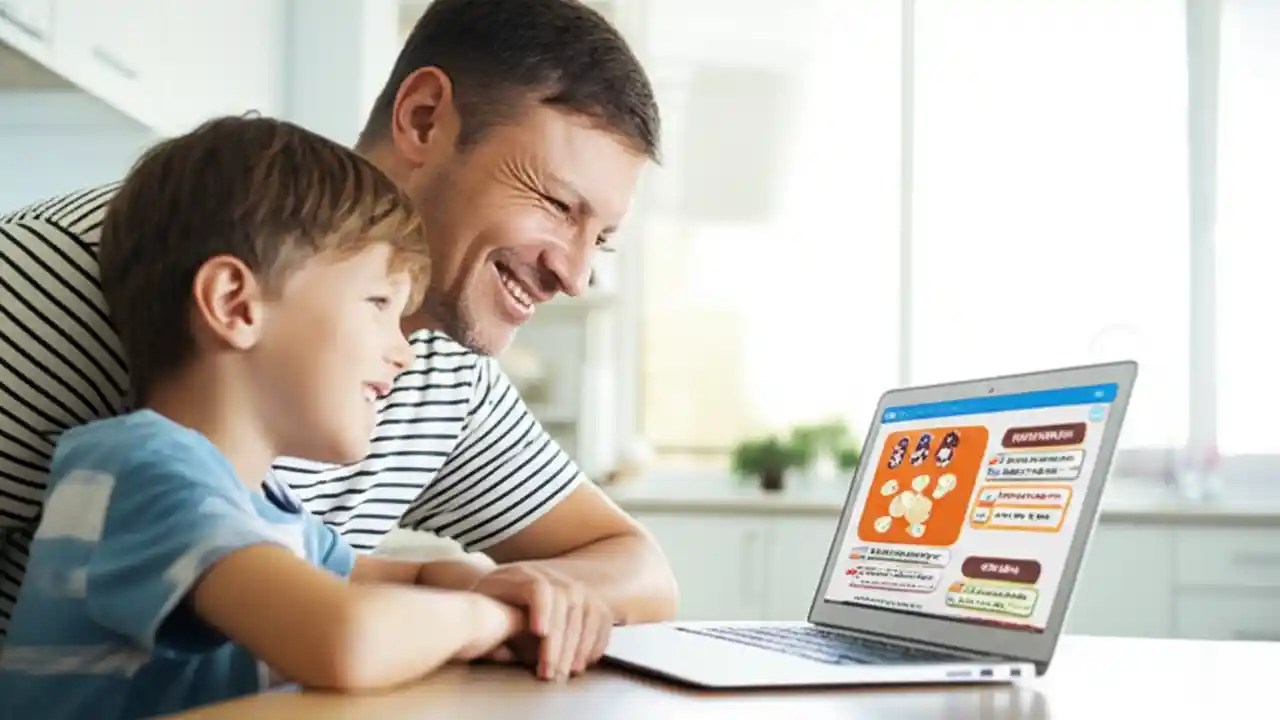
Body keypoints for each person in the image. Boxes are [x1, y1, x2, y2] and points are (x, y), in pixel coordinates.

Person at [0, 0, 675, 682]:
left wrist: (508, 592)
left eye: (602, 241)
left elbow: (637, 570)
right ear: (423, 120)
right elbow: (341, 633)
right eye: (559, 205)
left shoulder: (437, 367)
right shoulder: (56, 285)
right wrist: (486, 614)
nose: (576, 275)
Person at [0, 116, 533, 719]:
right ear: (235, 303)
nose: (403, 350)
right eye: (378, 303)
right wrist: (488, 616)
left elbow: (398, 581)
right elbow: (345, 638)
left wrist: (473, 578)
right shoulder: (139, 471)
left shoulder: (265, 509)